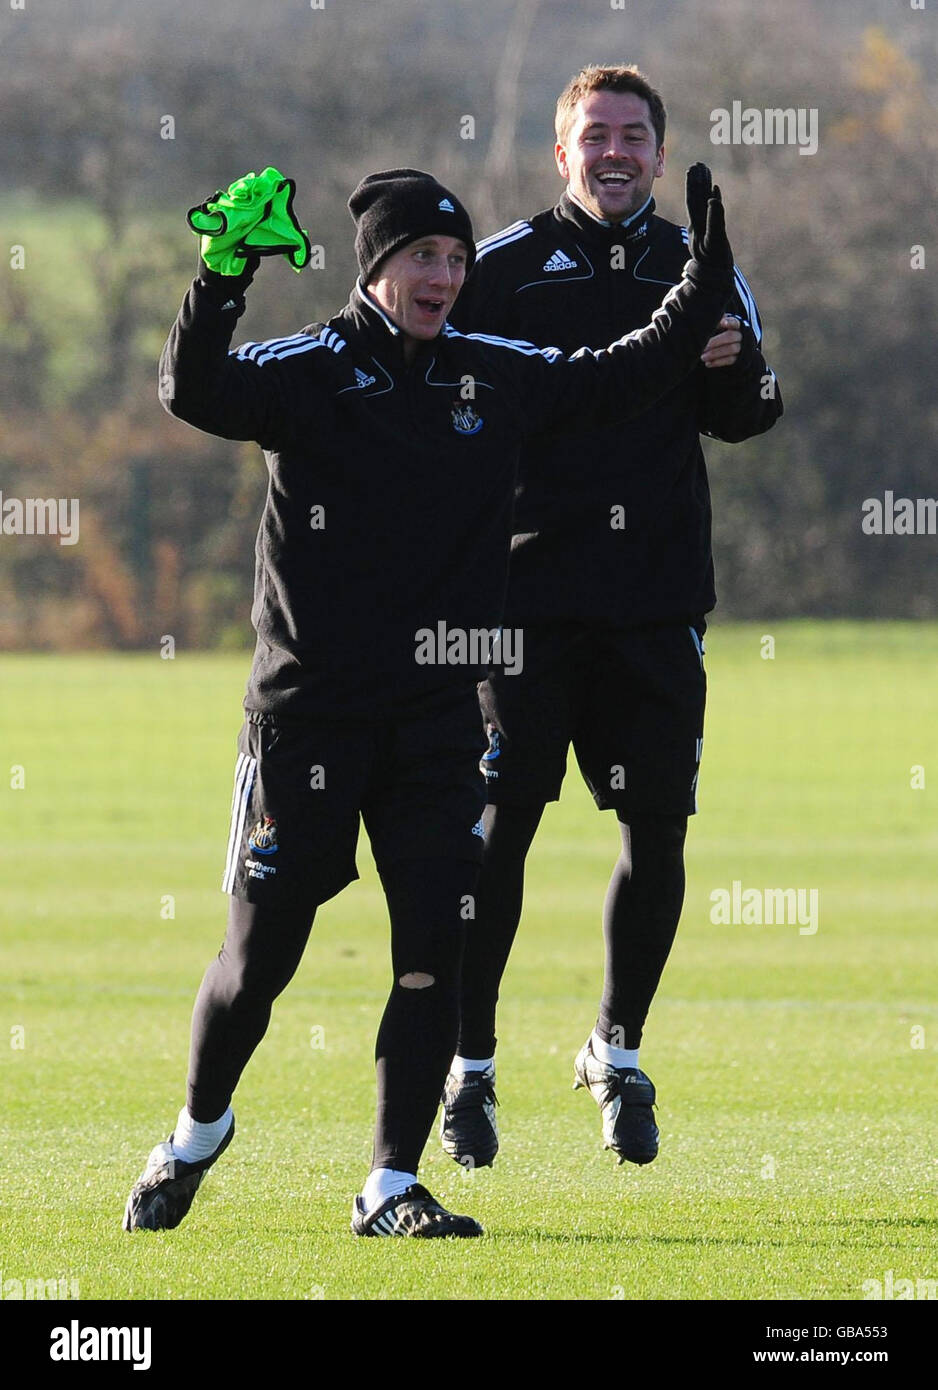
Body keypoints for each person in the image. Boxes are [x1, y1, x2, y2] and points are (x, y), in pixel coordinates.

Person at [122, 161, 735, 1238]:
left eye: (454, 257)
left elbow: (613, 377)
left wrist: (697, 287)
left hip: (440, 722)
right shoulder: (311, 369)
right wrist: (220, 278)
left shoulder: (491, 371)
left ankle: (391, 1182)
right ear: (377, 270)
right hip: (307, 717)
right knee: (257, 962)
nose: (444, 275)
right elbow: (194, 389)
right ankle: (196, 1131)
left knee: (427, 954)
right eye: (422, 257)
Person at [441, 65, 783, 1170]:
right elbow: (445, 411)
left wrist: (730, 369)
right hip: (521, 605)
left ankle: (614, 1047)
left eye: (634, 135)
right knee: (494, 840)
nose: (616, 152)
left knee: (657, 835)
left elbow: (751, 413)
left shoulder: (706, 264)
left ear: (657, 146)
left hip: (652, 603)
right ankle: (468, 1062)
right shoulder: (498, 269)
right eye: (595, 134)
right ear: (561, 152)